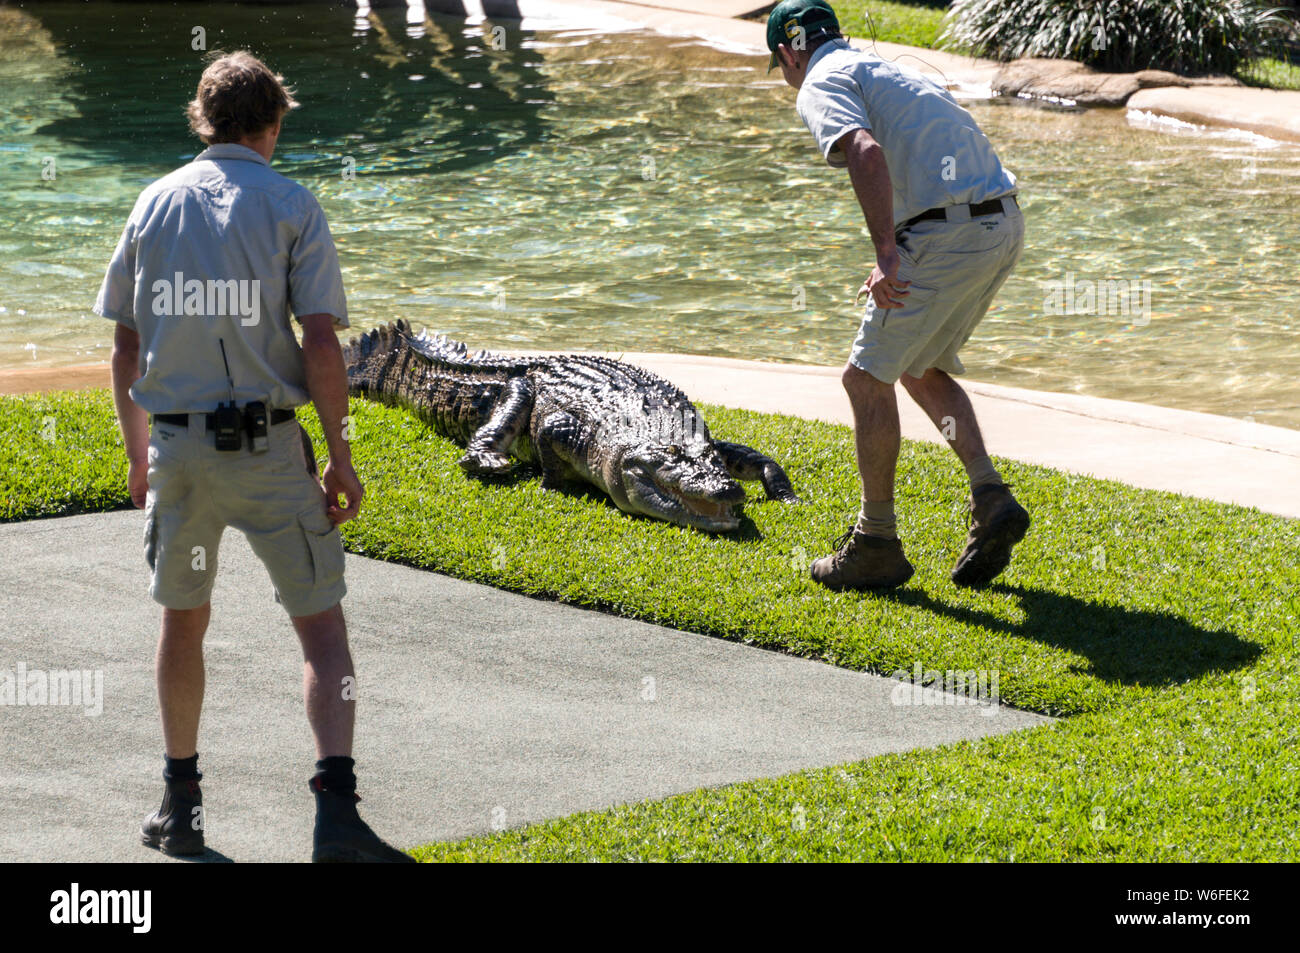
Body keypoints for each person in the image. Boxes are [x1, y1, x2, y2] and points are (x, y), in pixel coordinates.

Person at [94, 51, 412, 862]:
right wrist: (339, 456)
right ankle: (336, 815)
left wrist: (137, 457)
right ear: (274, 123)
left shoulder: (153, 203)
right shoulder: (292, 204)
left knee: (182, 620)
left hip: (179, 450)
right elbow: (320, 343)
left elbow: (126, 346)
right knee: (321, 630)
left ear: (203, 121)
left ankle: (181, 804)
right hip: (271, 452)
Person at [767, 0, 1031, 591]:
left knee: (865, 378)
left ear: (789, 52)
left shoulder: (820, 79)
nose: (787, 79)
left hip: (949, 233)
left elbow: (864, 150)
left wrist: (888, 253)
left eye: (781, 66)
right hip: (1002, 222)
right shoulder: (883, 67)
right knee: (919, 367)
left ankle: (876, 544)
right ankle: (990, 494)